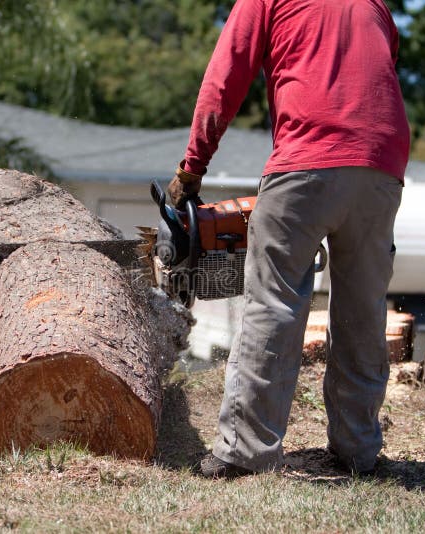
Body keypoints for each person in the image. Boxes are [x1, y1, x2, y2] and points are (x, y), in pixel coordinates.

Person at [168, 0, 410, 478]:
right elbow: (370, 79)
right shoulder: (376, 4)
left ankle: (244, 453)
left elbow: (226, 77)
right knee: (364, 309)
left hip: (308, 156)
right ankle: (358, 451)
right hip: (382, 162)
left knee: (273, 303)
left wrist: (191, 169)